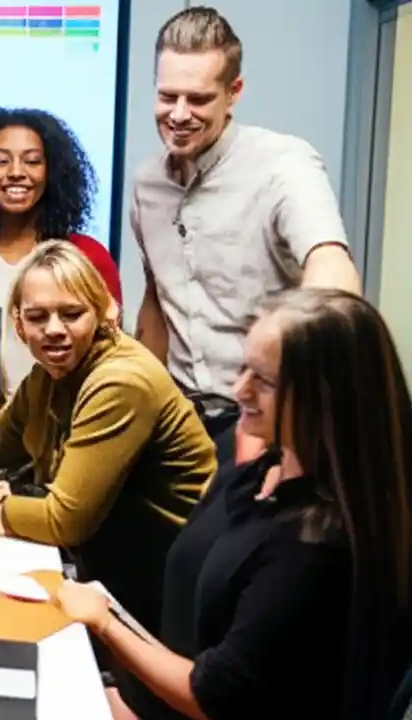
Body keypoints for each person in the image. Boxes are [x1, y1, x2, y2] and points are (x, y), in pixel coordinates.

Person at [58, 288, 412, 720]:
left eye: (262, 381)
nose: (238, 390)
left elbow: (214, 697)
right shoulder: (259, 471)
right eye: (244, 367)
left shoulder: (315, 546)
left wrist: (106, 624)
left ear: (323, 399)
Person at [131, 7, 362, 469]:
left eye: (197, 99)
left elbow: (332, 272)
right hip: (178, 416)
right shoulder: (146, 184)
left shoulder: (284, 165)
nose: (178, 114)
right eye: (167, 96)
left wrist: (290, 424)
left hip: (264, 419)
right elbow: (157, 301)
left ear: (233, 93)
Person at [0, 241, 215, 635]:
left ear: (102, 312)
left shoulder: (120, 381)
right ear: (19, 323)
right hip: (116, 562)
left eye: (72, 313)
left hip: (170, 585)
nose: (55, 330)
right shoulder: (46, 377)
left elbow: (64, 522)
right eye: (38, 316)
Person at [0, 107, 123, 399]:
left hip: (70, 424)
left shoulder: (88, 255)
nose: (16, 173)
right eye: (0, 161)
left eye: (32, 161)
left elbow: (113, 357)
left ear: (52, 172)